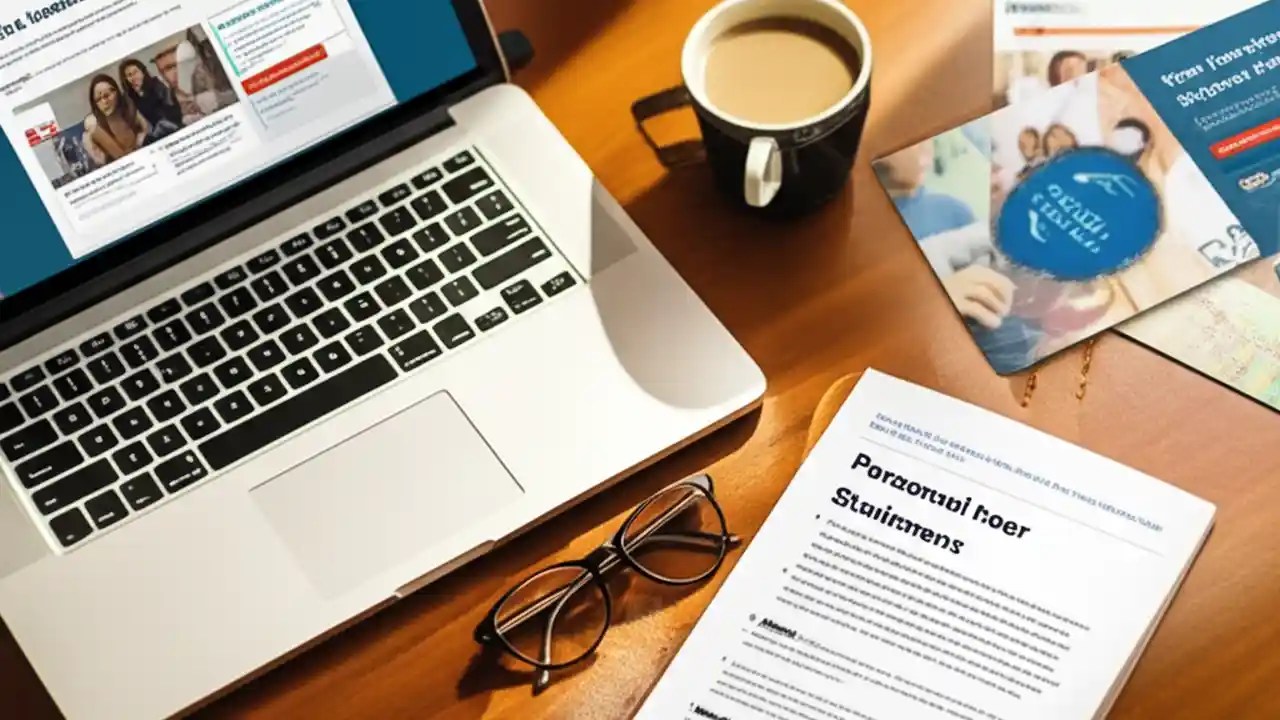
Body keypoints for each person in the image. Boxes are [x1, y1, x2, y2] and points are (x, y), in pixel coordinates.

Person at [82, 74, 151, 165]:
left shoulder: (130, 110)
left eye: (107, 95)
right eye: (98, 99)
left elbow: (147, 130)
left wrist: (142, 138)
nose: (104, 101)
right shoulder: (94, 128)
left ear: (116, 92)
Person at [119, 58, 182, 134]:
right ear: (126, 79)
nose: (134, 77)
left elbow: (170, 104)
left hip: (172, 121)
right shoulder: (128, 96)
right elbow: (134, 119)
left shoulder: (156, 83)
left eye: (135, 72)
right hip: (153, 131)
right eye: (129, 75)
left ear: (142, 71)